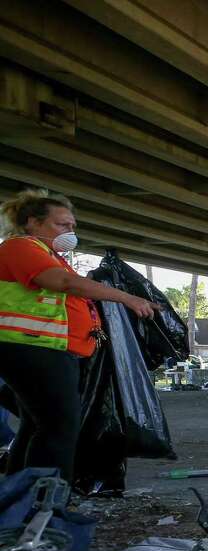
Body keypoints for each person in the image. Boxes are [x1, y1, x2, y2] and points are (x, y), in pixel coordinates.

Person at [0, 188, 156, 481]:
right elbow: (64, 283)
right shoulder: (22, 247)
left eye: (73, 225)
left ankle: (21, 499)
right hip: (32, 348)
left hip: (42, 348)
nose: (70, 231)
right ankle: (45, 503)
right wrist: (126, 297)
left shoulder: (47, 254)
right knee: (58, 427)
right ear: (33, 222)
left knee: (37, 425)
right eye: (62, 224)